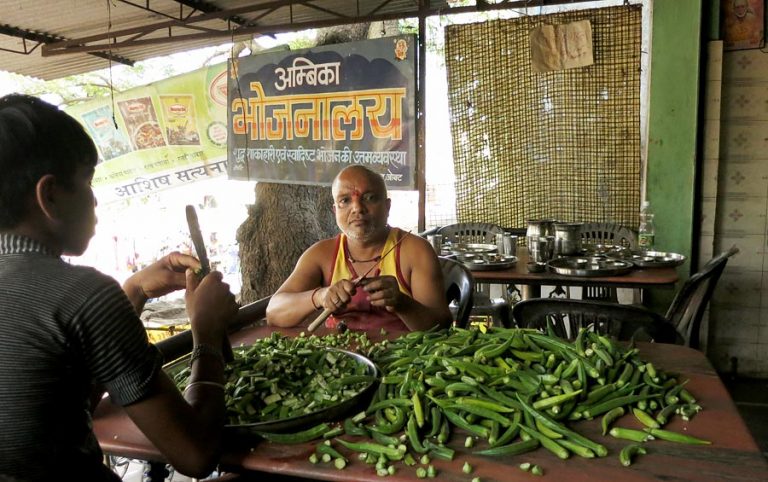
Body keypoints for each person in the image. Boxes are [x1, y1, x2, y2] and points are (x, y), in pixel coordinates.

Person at [0, 94, 239, 481]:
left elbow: (59, 402)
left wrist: (134, 292)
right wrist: (206, 334)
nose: (94, 199)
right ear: (50, 196)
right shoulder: (83, 293)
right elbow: (196, 455)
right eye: (87, 181)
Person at [266, 165, 452, 332]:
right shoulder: (321, 254)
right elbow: (274, 312)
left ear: (387, 207)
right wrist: (320, 296)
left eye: (369, 198)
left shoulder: (414, 251)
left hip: (403, 362)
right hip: (339, 360)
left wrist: (402, 303)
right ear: (335, 211)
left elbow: (442, 326)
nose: (357, 208)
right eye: (345, 201)